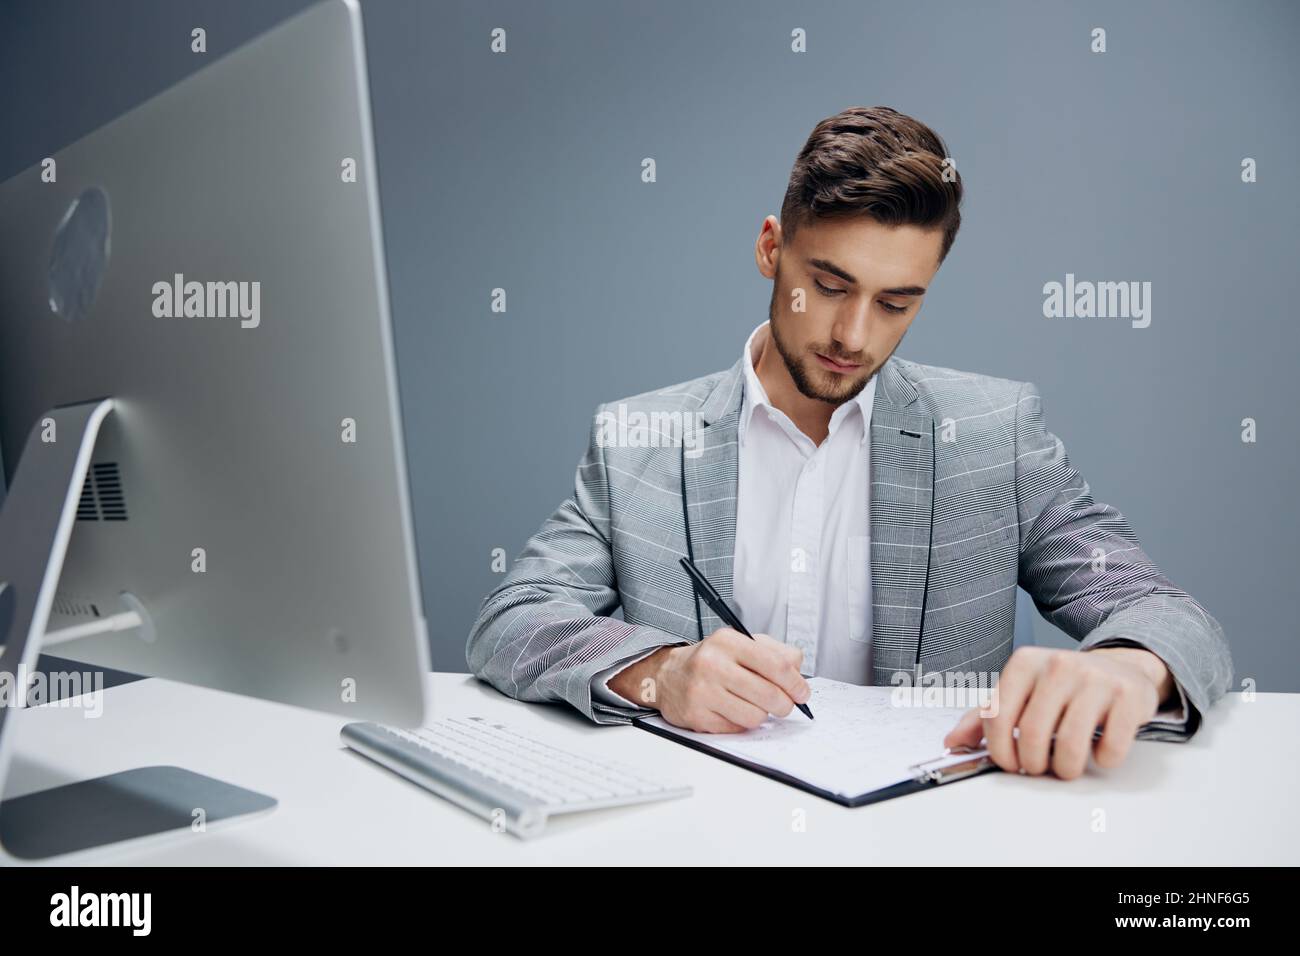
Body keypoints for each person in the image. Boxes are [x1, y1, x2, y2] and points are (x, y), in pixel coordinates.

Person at [466, 106, 1232, 780]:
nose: (853, 336)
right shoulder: (638, 443)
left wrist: (1134, 668)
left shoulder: (996, 436)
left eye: (896, 303)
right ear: (772, 248)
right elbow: (514, 619)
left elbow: (1164, 611)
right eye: (829, 286)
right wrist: (660, 672)